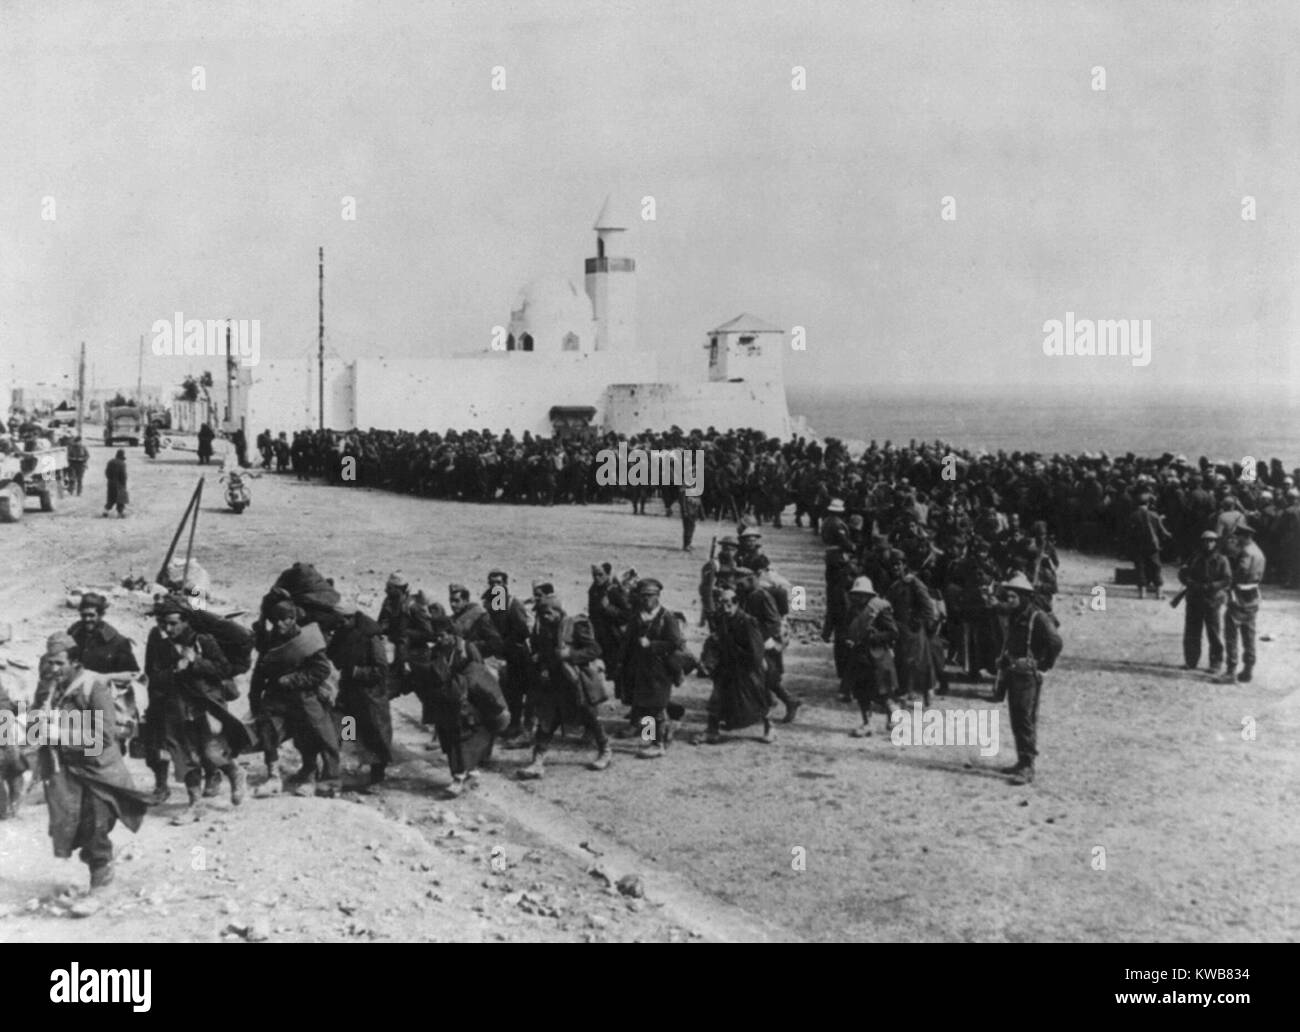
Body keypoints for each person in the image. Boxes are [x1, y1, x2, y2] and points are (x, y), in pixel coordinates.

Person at [33, 633, 149, 890]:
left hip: (97, 771)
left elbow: (104, 736)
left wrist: (60, 734)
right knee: (74, 826)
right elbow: (35, 720)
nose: (53, 669)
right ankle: (94, 875)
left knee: (96, 826)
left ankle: (101, 887)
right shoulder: (50, 687)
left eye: (59, 663)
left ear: (75, 662)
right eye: (50, 662)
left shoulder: (93, 687)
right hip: (67, 773)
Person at [145, 597, 250, 819]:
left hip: (206, 704)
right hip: (175, 706)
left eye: (173, 623)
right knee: (185, 756)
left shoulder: (203, 640)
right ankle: (195, 803)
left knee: (211, 752)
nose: (168, 628)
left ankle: (235, 773)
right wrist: (173, 672)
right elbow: (151, 674)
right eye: (164, 623)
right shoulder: (158, 641)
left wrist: (195, 663)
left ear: (186, 622)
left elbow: (224, 669)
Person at [249, 600, 341, 797]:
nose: (279, 624)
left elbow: (321, 669)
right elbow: (261, 669)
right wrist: (254, 698)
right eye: (275, 620)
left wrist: (293, 679)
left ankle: (312, 775)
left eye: (283, 620)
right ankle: (273, 777)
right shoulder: (272, 639)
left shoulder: (306, 641)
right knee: (267, 731)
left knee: (312, 735)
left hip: (303, 695)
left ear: (292, 619)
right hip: (276, 696)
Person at [517, 594, 612, 779]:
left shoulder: (575, 625)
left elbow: (595, 650)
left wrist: (571, 654)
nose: (544, 616)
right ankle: (537, 761)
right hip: (553, 683)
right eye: (542, 613)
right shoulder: (543, 629)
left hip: (576, 682)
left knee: (590, 716)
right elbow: (543, 651)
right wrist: (542, 664)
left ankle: (606, 750)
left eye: (548, 613)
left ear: (558, 611)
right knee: (547, 720)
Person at [424, 616, 509, 796]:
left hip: (467, 704)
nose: (439, 640)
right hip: (446, 702)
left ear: (451, 634)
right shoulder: (437, 652)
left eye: (442, 636)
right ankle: (470, 774)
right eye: (436, 637)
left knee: (463, 739)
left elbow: (478, 676)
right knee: (449, 739)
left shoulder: (467, 649)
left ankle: (459, 778)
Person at [993, 573, 1063, 785]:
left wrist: (1043, 667)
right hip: (1013, 672)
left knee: (1025, 718)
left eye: (1013, 597)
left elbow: (1055, 642)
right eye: (1009, 597)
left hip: (1027, 675)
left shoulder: (1037, 617)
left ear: (1024, 597)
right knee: (1016, 717)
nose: (1010, 601)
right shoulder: (1016, 614)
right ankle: (1021, 759)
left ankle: (1028, 766)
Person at [614, 578, 683, 759]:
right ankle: (651, 738)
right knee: (643, 705)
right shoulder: (638, 616)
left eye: (650, 596)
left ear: (658, 596)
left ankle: (658, 744)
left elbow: (675, 643)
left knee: (656, 707)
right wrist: (621, 662)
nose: (646, 600)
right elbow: (627, 642)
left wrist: (652, 645)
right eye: (643, 596)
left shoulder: (666, 617)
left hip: (659, 670)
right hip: (640, 669)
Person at [325, 604, 393, 786]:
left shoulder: (371, 638)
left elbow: (381, 670)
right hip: (349, 692)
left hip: (370, 695)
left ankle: (377, 775)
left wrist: (356, 671)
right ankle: (352, 763)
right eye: (341, 619)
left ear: (354, 618)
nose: (343, 622)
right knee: (346, 729)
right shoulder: (342, 634)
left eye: (347, 619)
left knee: (374, 734)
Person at [700, 588, 773, 744]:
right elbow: (717, 639)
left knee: (756, 699)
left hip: (747, 668)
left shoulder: (748, 622)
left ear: (736, 603)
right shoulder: (722, 618)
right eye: (721, 603)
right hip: (727, 666)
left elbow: (756, 652)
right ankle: (711, 730)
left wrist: (746, 665)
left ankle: (770, 727)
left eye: (728, 604)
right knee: (717, 697)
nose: (725, 607)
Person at [842, 576, 901, 738]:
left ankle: (895, 718)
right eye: (857, 594)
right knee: (861, 692)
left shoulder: (880, 609)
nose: (859, 597)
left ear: (869, 595)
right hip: (859, 656)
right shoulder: (854, 610)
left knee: (882, 692)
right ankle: (867, 724)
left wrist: (874, 637)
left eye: (862, 594)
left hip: (877, 656)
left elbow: (893, 632)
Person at [483, 569, 535, 746]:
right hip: (503, 656)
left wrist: (503, 644)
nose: (496, 586)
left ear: (505, 584)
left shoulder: (513, 604)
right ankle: (511, 725)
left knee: (517, 693)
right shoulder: (492, 604)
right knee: (508, 692)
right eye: (492, 583)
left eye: (499, 583)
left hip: (517, 656)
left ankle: (519, 727)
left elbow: (522, 631)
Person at [1177, 530, 1231, 673]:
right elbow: (1182, 573)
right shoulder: (1194, 557)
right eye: (1206, 540)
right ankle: (1191, 661)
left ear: (1216, 542)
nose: (1208, 543)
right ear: (1201, 542)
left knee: (1213, 632)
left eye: (1212, 541)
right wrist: (1190, 583)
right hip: (1194, 598)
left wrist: (1212, 586)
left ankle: (1215, 663)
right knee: (1192, 632)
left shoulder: (1222, 560)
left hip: (1212, 599)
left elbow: (1227, 579)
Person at [1223, 523, 1266, 683]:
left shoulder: (1246, 553)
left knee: (1231, 633)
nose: (1236, 539)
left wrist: (1229, 581)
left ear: (1244, 536)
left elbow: (1241, 572)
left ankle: (1230, 670)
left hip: (1240, 595)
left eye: (1238, 536)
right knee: (1249, 635)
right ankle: (1248, 669)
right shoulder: (1259, 552)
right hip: (1254, 595)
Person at [1128, 494, 1170, 599]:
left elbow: (1129, 533)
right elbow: (1163, 532)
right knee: (1156, 568)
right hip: (1153, 546)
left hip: (1138, 546)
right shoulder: (1155, 515)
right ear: (1148, 503)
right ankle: (1158, 593)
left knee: (1140, 567)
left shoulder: (1133, 515)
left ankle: (1142, 593)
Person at [102, 448, 129, 517]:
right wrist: (124, 483)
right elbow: (123, 475)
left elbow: (106, 472)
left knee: (110, 498)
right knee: (120, 499)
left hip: (110, 483)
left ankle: (105, 511)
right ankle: (120, 513)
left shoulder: (110, 462)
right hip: (119, 484)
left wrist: (110, 479)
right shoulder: (122, 464)